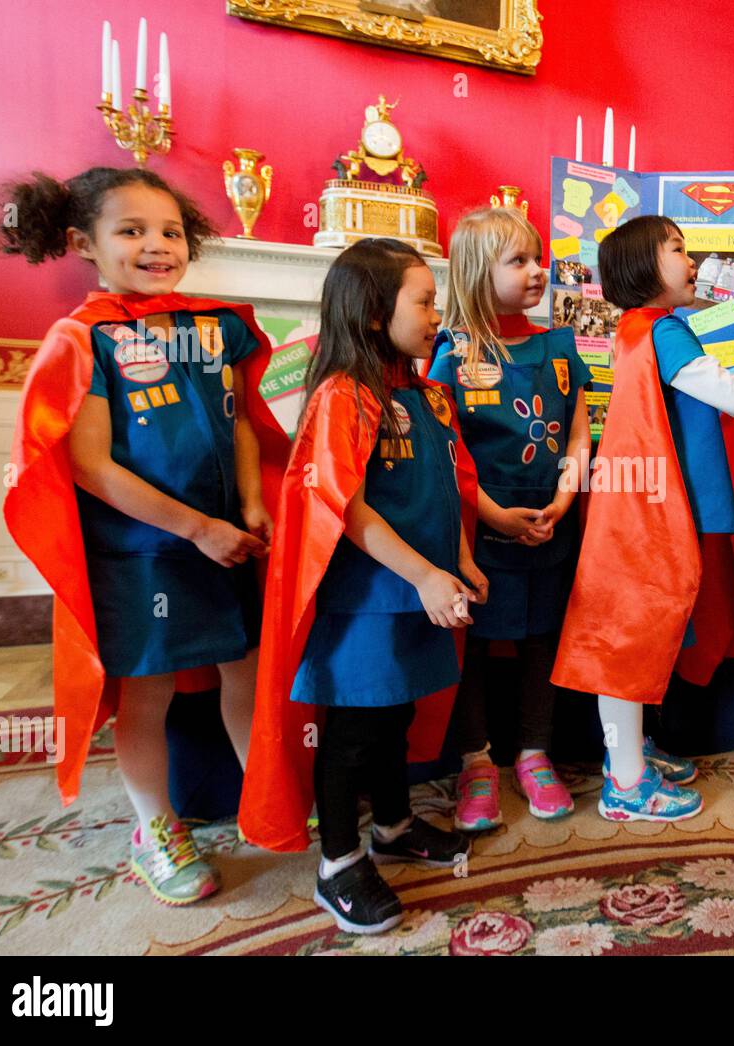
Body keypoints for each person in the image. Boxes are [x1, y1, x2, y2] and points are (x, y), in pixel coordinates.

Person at [0, 167, 277, 904]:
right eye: (132, 231)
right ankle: (155, 826)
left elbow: (241, 420)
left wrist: (250, 505)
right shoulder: (85, 339)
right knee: (146, 695)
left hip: (228, 542)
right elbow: (88, 464)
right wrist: (195, 528)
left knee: (244, 674)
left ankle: (265, 795)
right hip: (146, 553)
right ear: (81, 243)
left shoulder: (211, 327)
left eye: (170, 232)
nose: (157, 246)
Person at [551, 216, 734, 821]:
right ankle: (625, 784)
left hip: (652, 505)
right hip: (645, 514)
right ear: (641, 267)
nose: (692, 260)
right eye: (678, 249)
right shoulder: (660, 329)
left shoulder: (646, 330)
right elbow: (730, 393)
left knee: (644, 633)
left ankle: (628, 754)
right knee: (628, 639)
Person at [240, 239, 485, 934]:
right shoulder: (342, 396)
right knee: (352, 732)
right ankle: (339, 863)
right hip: (366, 604)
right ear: (375, 314)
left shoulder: (430, 395)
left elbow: (445, 492)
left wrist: (461, 559)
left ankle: (395, 825)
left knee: (396, 718)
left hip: (420, 593)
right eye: (425, 301)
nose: (437, 314)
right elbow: (344, 508)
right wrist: (425, 574)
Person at [428, 207, 593, 829]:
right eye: (518, 261)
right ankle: (476, 761)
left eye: (538, 257)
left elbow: (579, 434)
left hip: (552, 519)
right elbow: (443, 449)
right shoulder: (452, 353)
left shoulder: (560, 344)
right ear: (476, 272)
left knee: (541, 638)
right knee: (474, 644)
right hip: (480, 526)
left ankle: (533, 752)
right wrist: (494, 515)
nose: (537, 270)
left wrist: (564, 499)